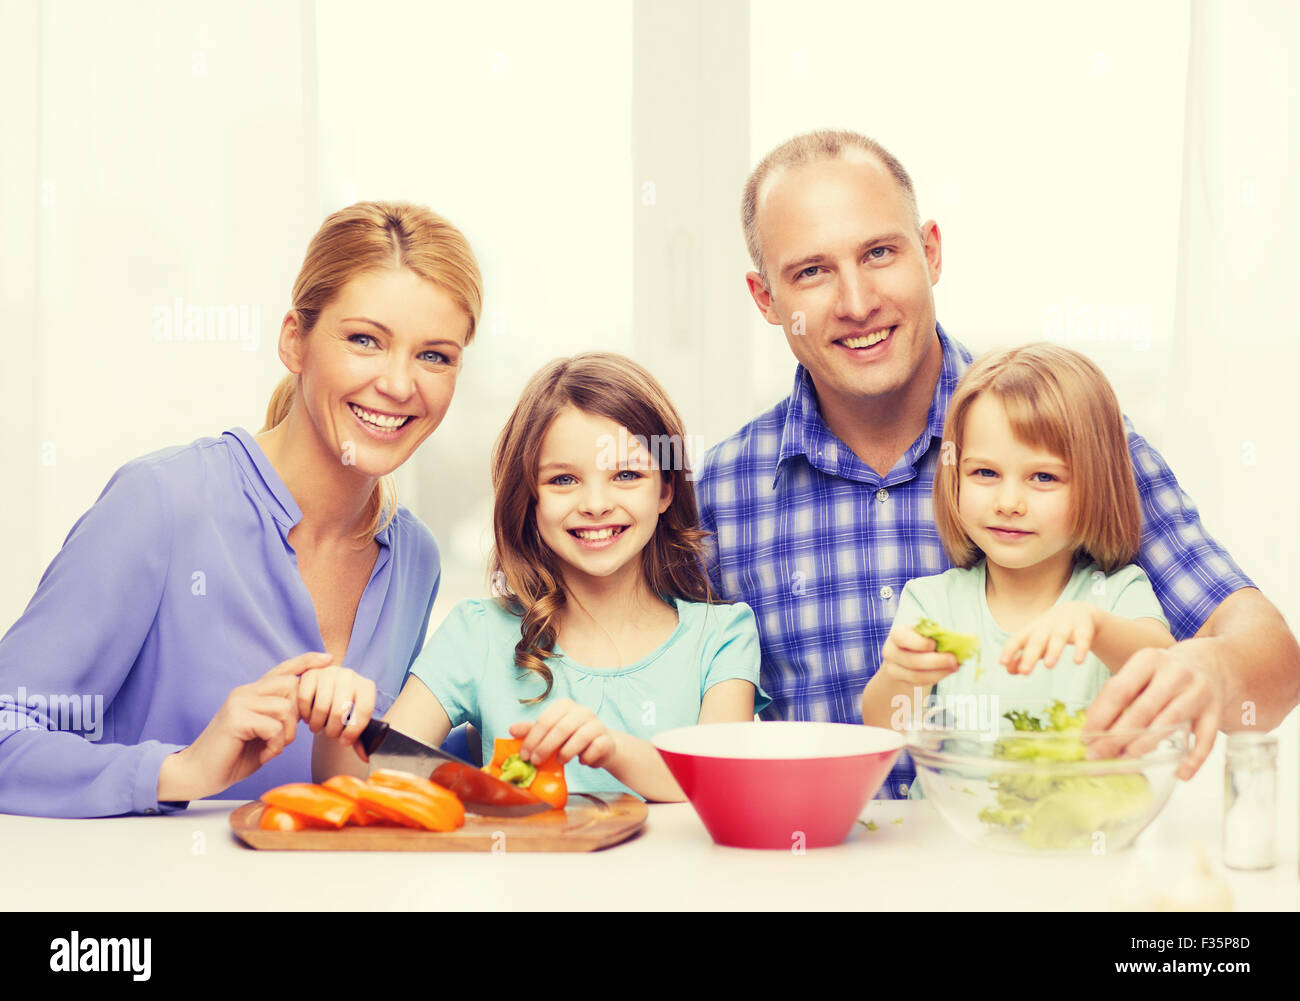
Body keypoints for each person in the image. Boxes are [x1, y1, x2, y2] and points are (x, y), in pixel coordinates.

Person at [697, 129, 1299, 799]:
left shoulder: (1070, 439)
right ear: (764, 299)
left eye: (881, 253)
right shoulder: (721, 492)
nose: (857, 301)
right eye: (811, 271)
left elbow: (1272, 664)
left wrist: (1213, 671)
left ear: (930, 252)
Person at [0, 201, 482, 817]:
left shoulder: (414, 556)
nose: (397, 383)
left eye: (434, 355)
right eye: (365, 340)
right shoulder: (163, 503)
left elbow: (376, 773)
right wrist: (180, 770)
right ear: (294, 341)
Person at [308, 352, 768, 801]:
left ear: (665, 490)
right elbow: (369, 783)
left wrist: (610, 750)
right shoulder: (477, 634)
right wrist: (336, 723)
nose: (595, 503)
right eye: (563, 480)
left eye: (626, 474)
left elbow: (717, 781)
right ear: (529, 500)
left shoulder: (722, 636)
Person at [861, 343, 1174, 734]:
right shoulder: (933, 603)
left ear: (1095, 485)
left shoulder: (1115, 595)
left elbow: (1165, 671)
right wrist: (900, 674)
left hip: (1082, 798)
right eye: (985, 474)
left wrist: (1095, 626)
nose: (1008, 503)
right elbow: (885, 728)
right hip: (951, 797)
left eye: (1043, 477)